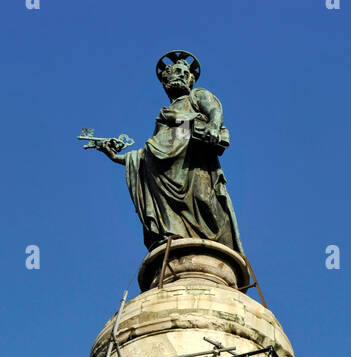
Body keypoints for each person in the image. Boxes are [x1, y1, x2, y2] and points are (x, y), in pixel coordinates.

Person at [88, 50, 244, 255]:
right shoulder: (165, 117)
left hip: (195, 167)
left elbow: (214, 111)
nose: (180, 75)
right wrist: (116, 157)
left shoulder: (196, 97)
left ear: (191, 78)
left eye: (184, 72)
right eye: (175, 71)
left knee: (206, 203)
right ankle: (174, 236)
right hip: (166, 179)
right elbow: (152, 152)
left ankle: (218, 251)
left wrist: (213, 126)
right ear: (165, 80)